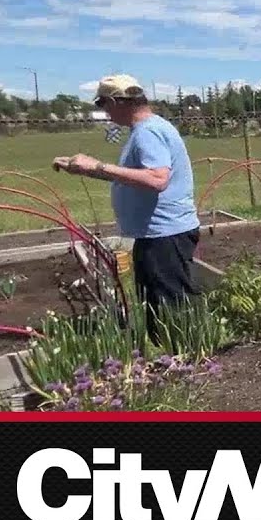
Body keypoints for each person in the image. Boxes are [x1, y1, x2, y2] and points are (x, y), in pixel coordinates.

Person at [53, 74, 201, 343]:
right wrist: (83, 169)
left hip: (164, 235)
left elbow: (157, 179)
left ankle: (189, 361)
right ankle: (173, 358)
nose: (105, 113)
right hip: (157, 234)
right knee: (159, 305)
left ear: (114, 101)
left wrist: (97, 166)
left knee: (171, 308)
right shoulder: (147, 129)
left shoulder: (147, 132)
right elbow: (132, 176)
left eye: (102, 105)